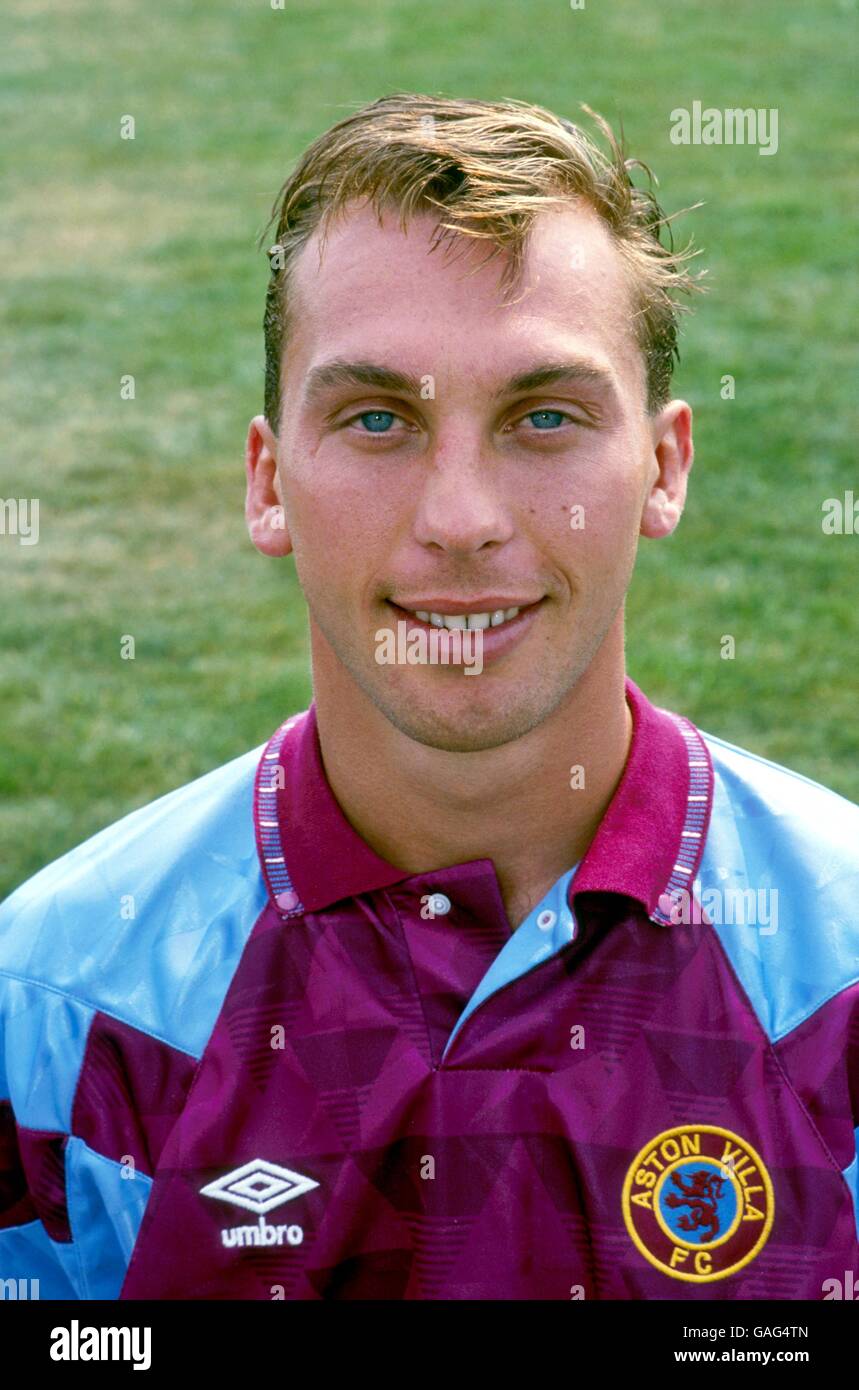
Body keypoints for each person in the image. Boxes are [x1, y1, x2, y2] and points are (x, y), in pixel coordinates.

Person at [1, 93, 856, 1301]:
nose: (461, 521)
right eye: (377, 418)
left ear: (662, 468)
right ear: (269, 483)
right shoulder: (59, 1000)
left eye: (543, 416)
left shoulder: (839, 974)